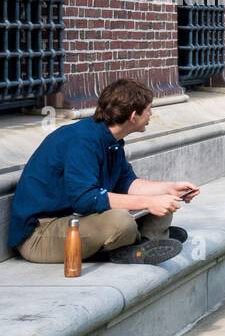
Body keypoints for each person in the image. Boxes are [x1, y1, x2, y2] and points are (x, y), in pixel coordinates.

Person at [9, 79, 196, 265]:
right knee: (121, 222)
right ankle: (137, 242)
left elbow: (127, 183)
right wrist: (149, 201)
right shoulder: (83, 140)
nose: (151, 114)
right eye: (148, 109)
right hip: (40, 234)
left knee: (164, 203)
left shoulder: (110, 139)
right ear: (133, 116)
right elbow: (86, 199)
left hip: (75, 221)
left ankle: (143, 243)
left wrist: (170, 188)